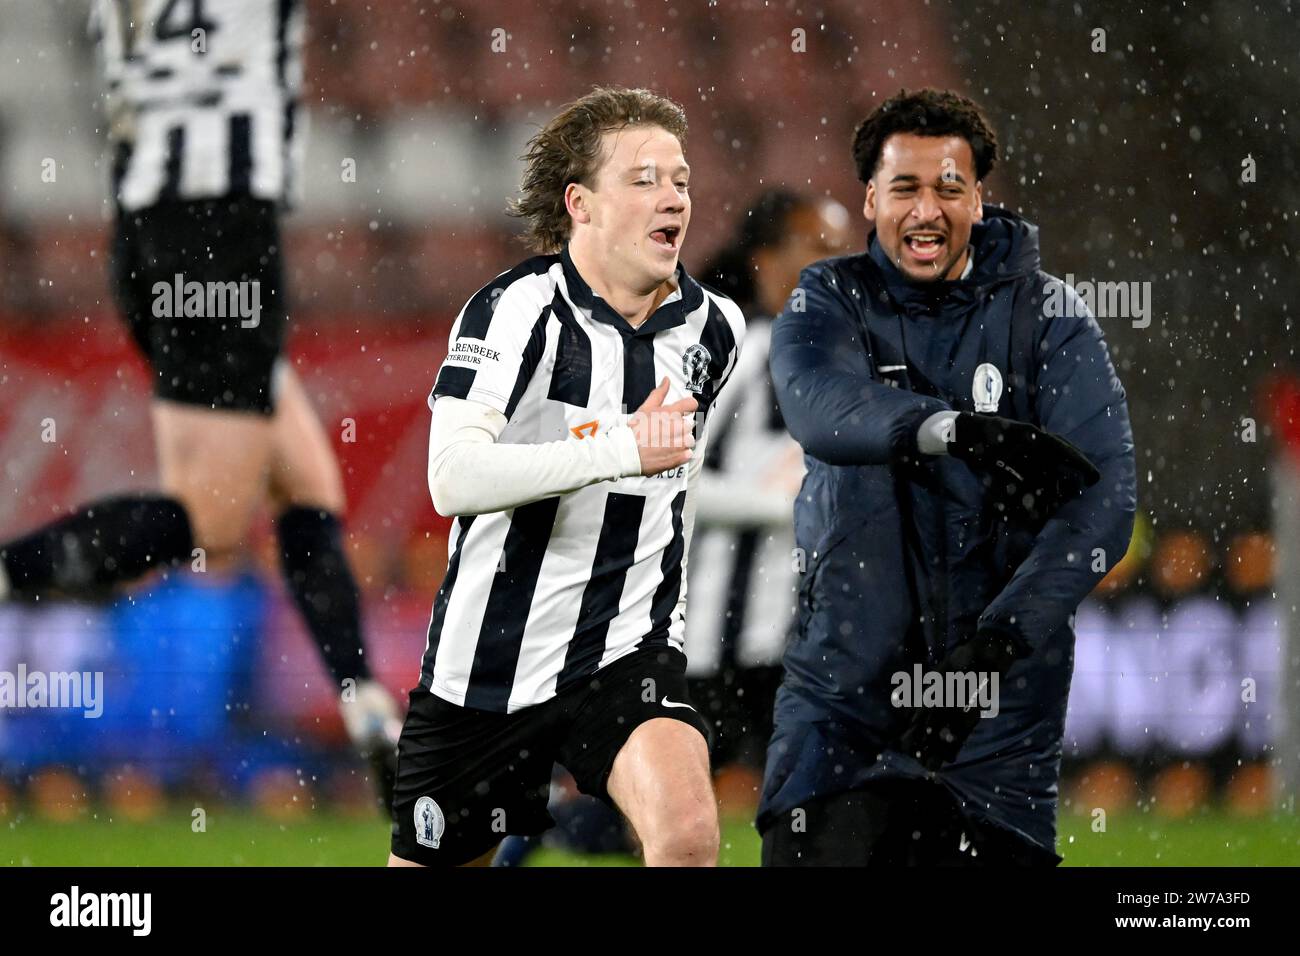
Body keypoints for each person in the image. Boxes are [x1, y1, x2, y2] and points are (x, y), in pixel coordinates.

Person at [0, 0, 401, 808]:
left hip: (149, 230)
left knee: (304, 483)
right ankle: (10, 574)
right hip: (220, 230)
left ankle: (367, 709)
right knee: (212, 522)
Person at [759, 88, 1137, 866]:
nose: (926, 211)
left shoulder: (1051, 318)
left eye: (948, 188)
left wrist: (997, 646)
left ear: (979, 197)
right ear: (869, 198)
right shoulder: (828, 298)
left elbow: (1104, 503)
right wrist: (950, 429)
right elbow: (820, 408)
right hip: (845, 705)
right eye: (904, 188)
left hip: (997, 712)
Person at [387, 86, 746, 867]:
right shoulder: (514, 312)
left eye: (681, 179)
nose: (674, 197)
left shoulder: (716, 328)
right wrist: (616, 447)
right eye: (644, 178)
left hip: (627, 651)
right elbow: (451, 478)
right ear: (580, 203)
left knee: (686, 837)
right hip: (487, 663)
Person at [687, 190, 853, 789]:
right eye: (821, 249)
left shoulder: (839, 362)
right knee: (661, 814)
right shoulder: (729, 352)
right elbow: (664, 475)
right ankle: (538, 828)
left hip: (801, 633)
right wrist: (783, 507)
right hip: (718, 633)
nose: (840, 266)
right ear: (768, 261)